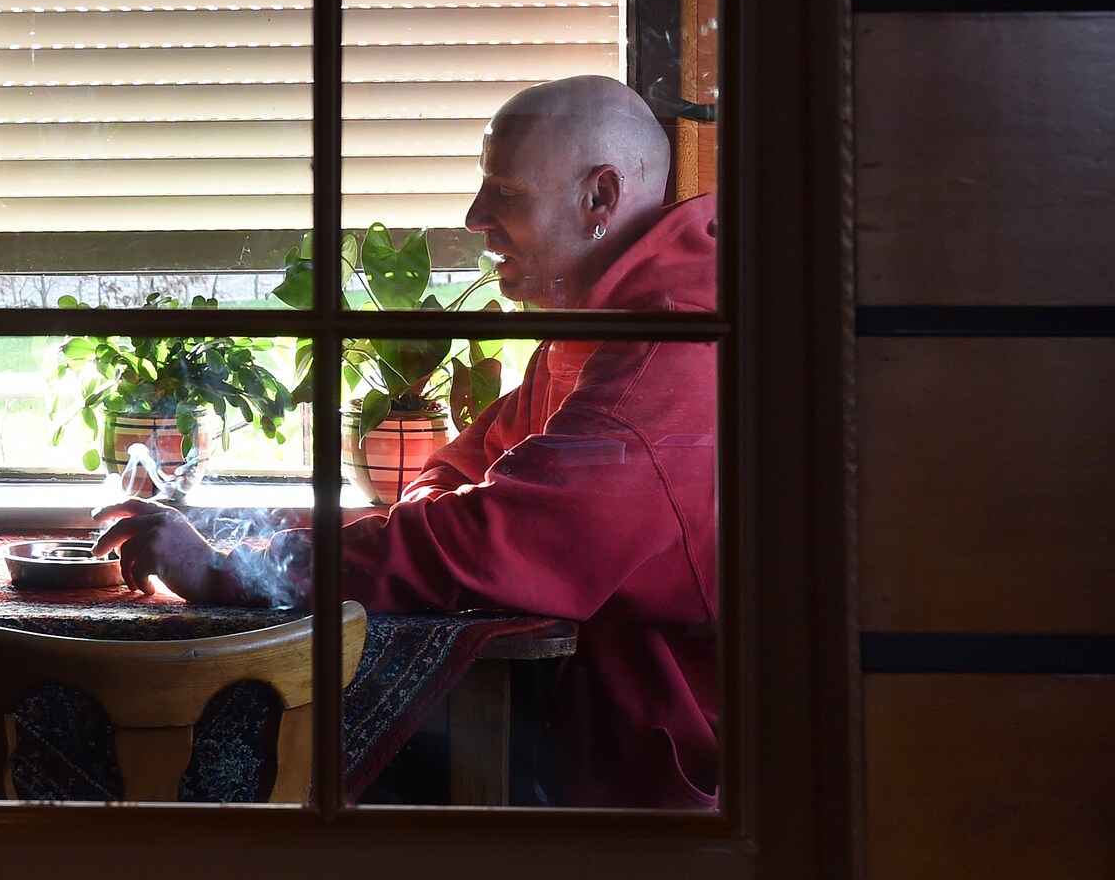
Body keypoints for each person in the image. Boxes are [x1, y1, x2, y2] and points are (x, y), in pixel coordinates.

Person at [94, 75, 719, 809]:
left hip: (660, 782)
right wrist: (434, 523)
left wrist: (228, 570)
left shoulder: (660, 354)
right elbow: (458, 471)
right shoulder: (608, 319)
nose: (475, 217)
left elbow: (488, 537)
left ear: (599, 199)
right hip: (585, 731)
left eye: (506, 193)